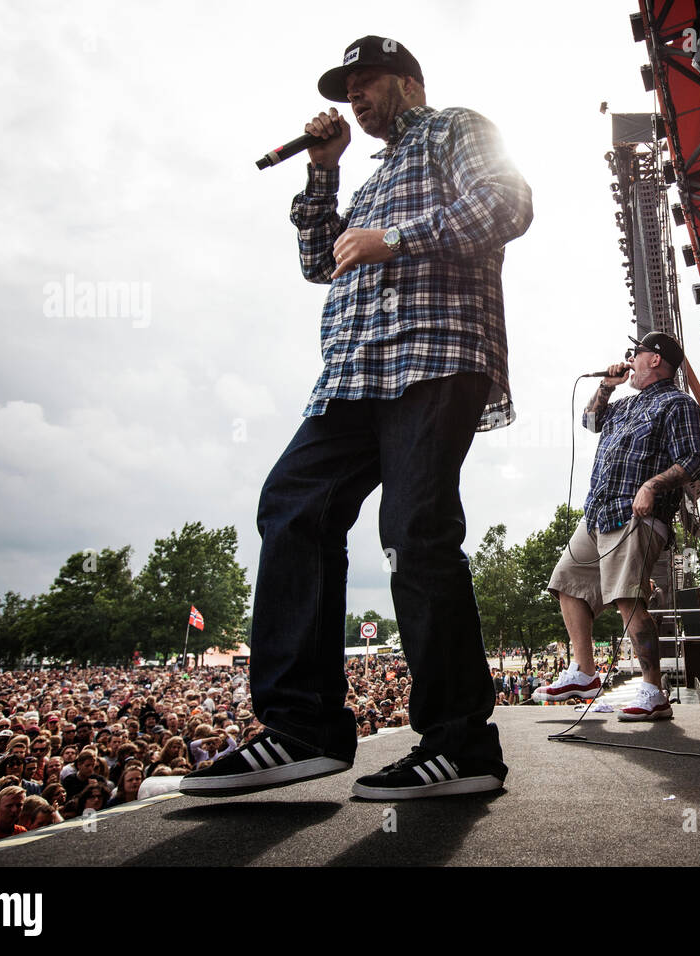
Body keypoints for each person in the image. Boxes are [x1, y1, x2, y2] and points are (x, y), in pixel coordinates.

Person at [182, 35, 531, 800]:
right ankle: (303, 729)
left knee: (414, 531)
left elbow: (507, 204)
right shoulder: (366, 180)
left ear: (408, 82)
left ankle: (461, 743)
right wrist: (324, 170)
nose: (353, 99)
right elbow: (318, 262)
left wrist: (398, 239)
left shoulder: (456, 128)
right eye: (345, 89)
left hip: (435, 355)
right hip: (352, 374)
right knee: (293, 507)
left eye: (366, 82)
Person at [538, 332, 700, 721]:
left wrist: (652, 485)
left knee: (628, 600)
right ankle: (584, 673)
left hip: (636, 516)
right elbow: (590, 421)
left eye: (637, 352)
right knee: (566, 582)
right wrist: (605, 387)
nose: (630, 358)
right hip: (597, 514)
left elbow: (695, 460)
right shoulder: (625, 403)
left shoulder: (678, 404)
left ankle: (653, 691)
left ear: (655, 360)